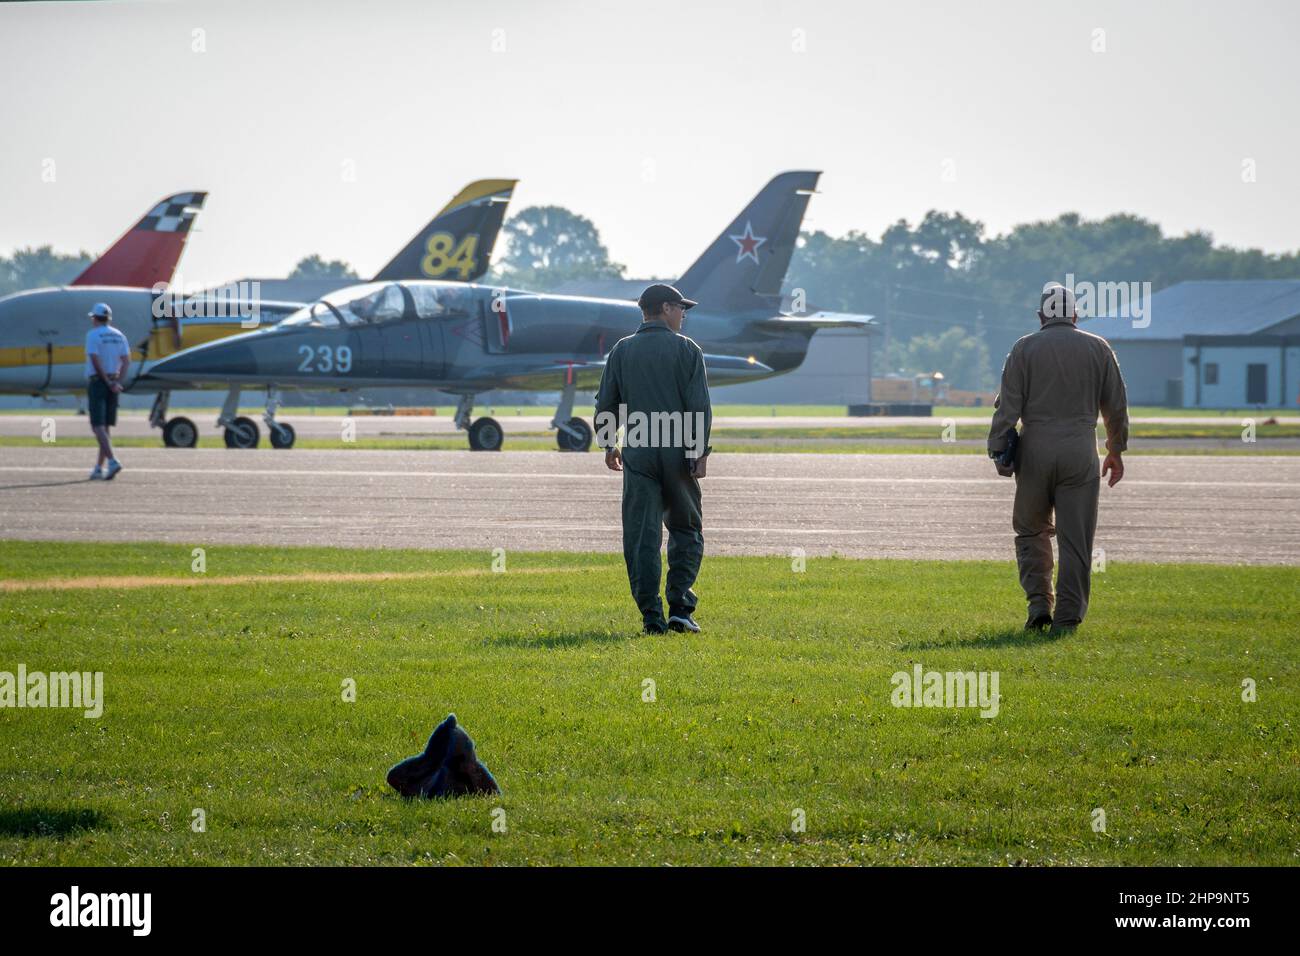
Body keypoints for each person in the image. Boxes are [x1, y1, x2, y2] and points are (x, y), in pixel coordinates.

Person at [988, 284, 1129, 633]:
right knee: (1076, 539)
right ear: (1075, 315)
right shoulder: (1099, 348)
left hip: (1035, 449)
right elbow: (1116, 405)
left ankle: (1038, 604)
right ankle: (1067, 618)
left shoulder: (1024, 348)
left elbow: (1008, 406)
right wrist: (1115, 449)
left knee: (1030, 529)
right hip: (1081, 449)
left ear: (1041, 316)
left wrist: (997, 448)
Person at [594, 283, 712, 634]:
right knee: (686, 529)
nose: (683, 314)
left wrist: (608, 444)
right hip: (678, 451)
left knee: (641, 536)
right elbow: (698, 406)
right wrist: (699, 451)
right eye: (680, 307)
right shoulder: (687, 350)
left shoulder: (621, 350)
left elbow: (606, 402)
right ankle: (680, 608)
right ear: (664, 308)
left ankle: (651, 617)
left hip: (639, 450)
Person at [84, 302, 132, 480]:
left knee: (97, 426)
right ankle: (98, 467)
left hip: (99, 382)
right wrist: (117, 382)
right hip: (114, 380)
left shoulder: (93, 335)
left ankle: (112, 461)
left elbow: (95, 361)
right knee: (105, 427)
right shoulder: (119, 335)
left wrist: (106, 381)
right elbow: (126, 361)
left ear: (95, 318)